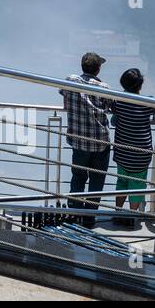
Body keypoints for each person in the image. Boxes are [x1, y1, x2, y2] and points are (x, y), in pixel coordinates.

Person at [60, 51, 112, 227]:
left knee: (78, 177)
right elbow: (112, 105)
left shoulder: (71, 81)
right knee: (97, 180)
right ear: (98, 69)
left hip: (79, 141)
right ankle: (89, 217)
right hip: (100, 142)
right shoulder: (103, 88)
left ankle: (74, 213)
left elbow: (62, 92)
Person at [110, 68, 155, 227]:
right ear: (140, 86)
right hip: (141, 153)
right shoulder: (147, 103)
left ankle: (118, 212)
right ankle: (131, 216)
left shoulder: (118, 102)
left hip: (122, 152)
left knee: (122, 182)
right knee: (137, 185)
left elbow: (113, 110)